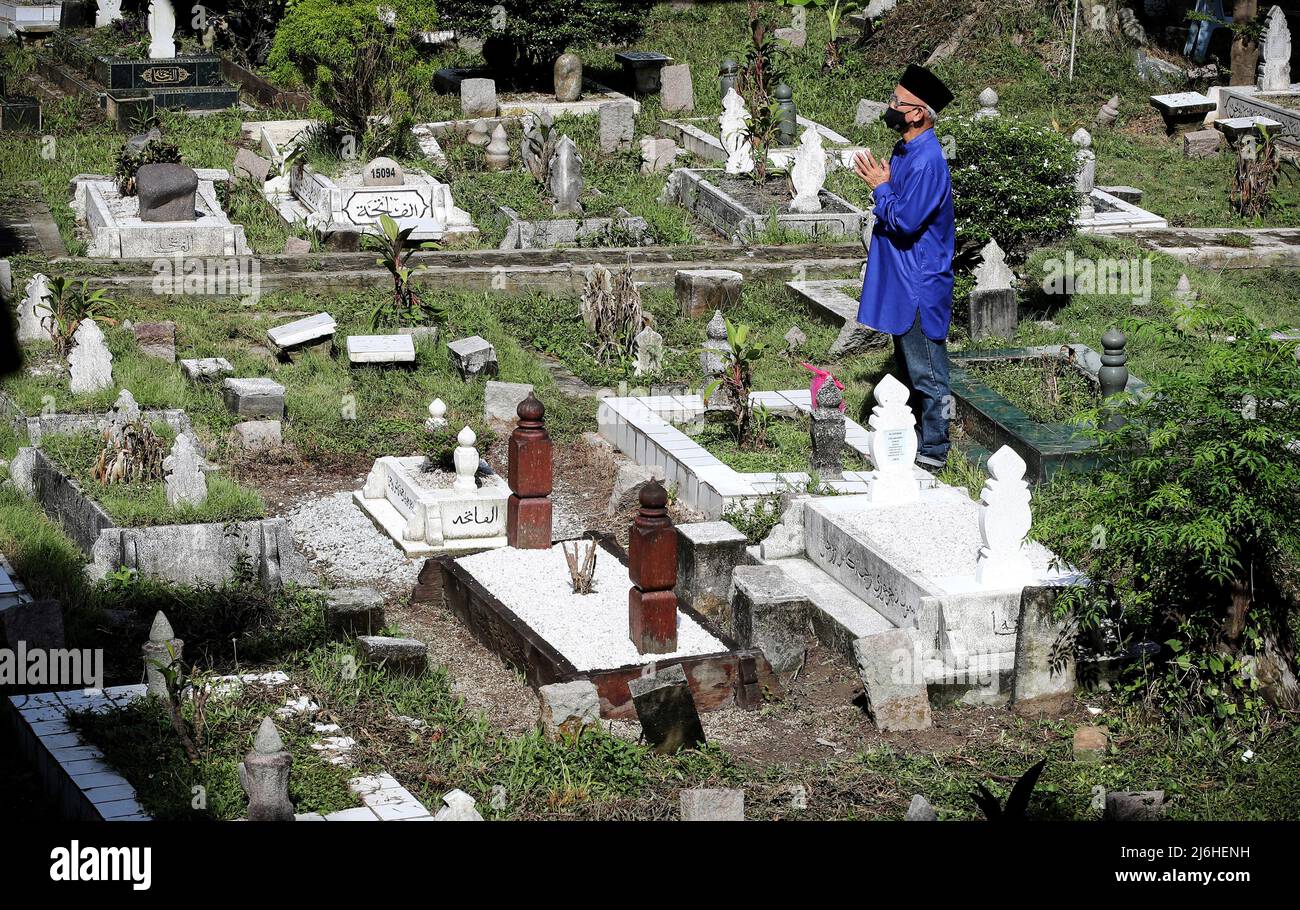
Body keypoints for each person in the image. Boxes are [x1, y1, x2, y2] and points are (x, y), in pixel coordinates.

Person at [853, 64, 956, 470]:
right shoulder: (905, 149)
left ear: (917, 113)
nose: (890, 106)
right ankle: (911, 435)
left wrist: (880, 188)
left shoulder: (929, 161)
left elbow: (907, 220)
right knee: (909, 366)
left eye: (897, 101)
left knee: (930, 373)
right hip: (901, 275)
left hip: (919, 281)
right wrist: (884, 186)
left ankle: (936, 448)